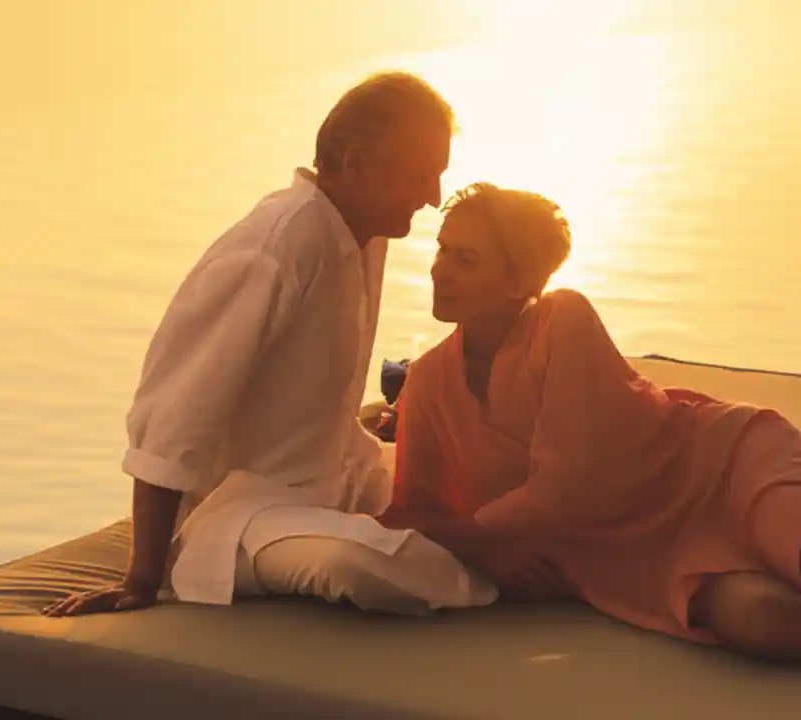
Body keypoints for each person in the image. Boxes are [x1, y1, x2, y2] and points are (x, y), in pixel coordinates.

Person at [378, 181, 801, 661]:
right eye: (441, 251)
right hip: (630, 555)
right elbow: (417, 513)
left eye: (465, 258)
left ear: (519, 276)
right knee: (767, 624)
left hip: (720, 464)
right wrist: (483, 546)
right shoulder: (434, 380)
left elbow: (569, 486)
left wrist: (484, 538)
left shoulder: (564, 319)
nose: (440, 271)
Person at [43, 73, 497, 619]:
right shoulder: (274, 248)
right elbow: (169, 418)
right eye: (421, 176)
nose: (433, 197)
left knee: (497, 490)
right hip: (245, 513)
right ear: (354, 164)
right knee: (368, 565)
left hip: (340, 477)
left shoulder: (362, 231)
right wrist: (142, 578)